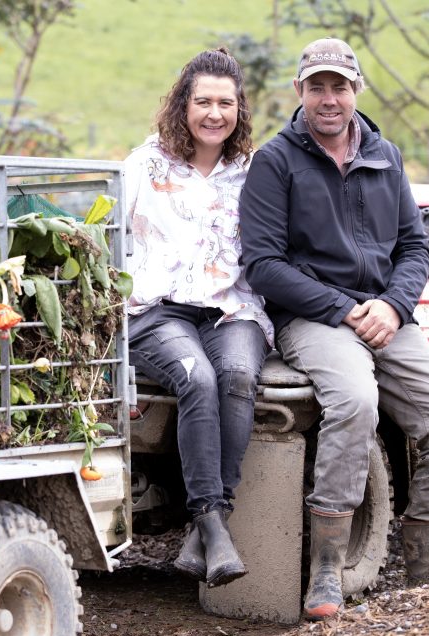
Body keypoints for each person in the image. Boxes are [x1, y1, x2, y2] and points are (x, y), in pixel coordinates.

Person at [238, 37, 429, 618]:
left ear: (357, 91)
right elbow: (263, 265)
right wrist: (346, 309)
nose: (329, 98)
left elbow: (414, 247)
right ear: (298, 91)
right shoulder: (276, 162)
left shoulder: (384, 155)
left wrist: (393, 306)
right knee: (354, 402)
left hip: (387, 315)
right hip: (316, 317)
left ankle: (428, 565)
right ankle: (328, 566)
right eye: (317, 87)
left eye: (340, 87)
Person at [124, 47, 274, 588]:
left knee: (236, 376)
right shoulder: (145, 165)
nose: (215, 113)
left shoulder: (252, 171)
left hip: (232, 307)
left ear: (240, 109)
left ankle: (206, 527)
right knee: (198, 378)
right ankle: (212, 520)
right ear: (183, 105)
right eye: (203, 101)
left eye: (225, 103)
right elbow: (104, 233)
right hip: (157, 309)